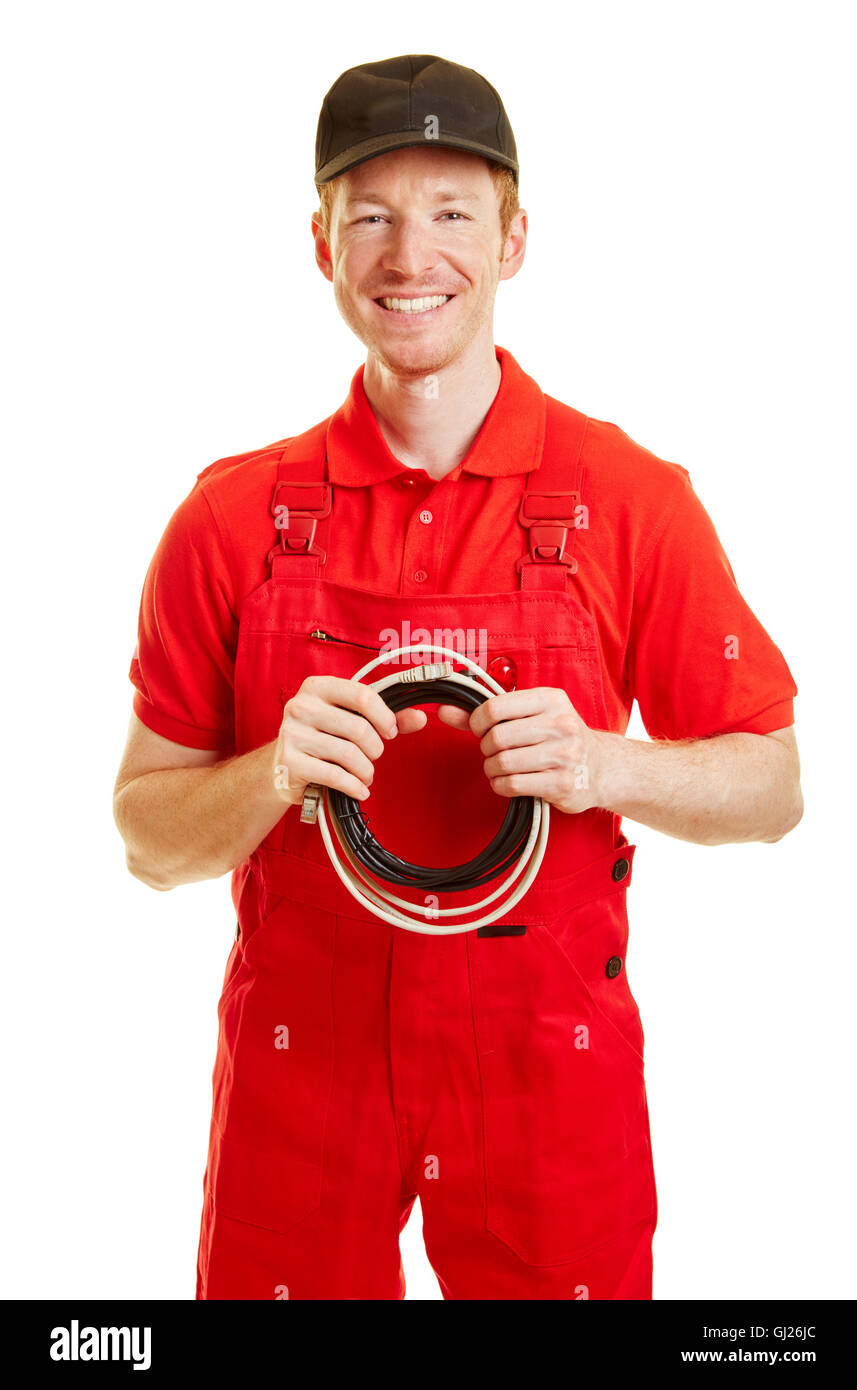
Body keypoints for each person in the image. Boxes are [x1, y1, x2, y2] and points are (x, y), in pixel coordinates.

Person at [112, 54, 802, 1301]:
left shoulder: (629, 502)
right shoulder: (230, 521)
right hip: (300, 1080)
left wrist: (605, 762)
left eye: (449, 213)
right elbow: (146, 835)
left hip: (547, 1075)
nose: (406, 254)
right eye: (368, 214)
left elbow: (772, 786)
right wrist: (271, 772)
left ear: (514, 238)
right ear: (318, 244)